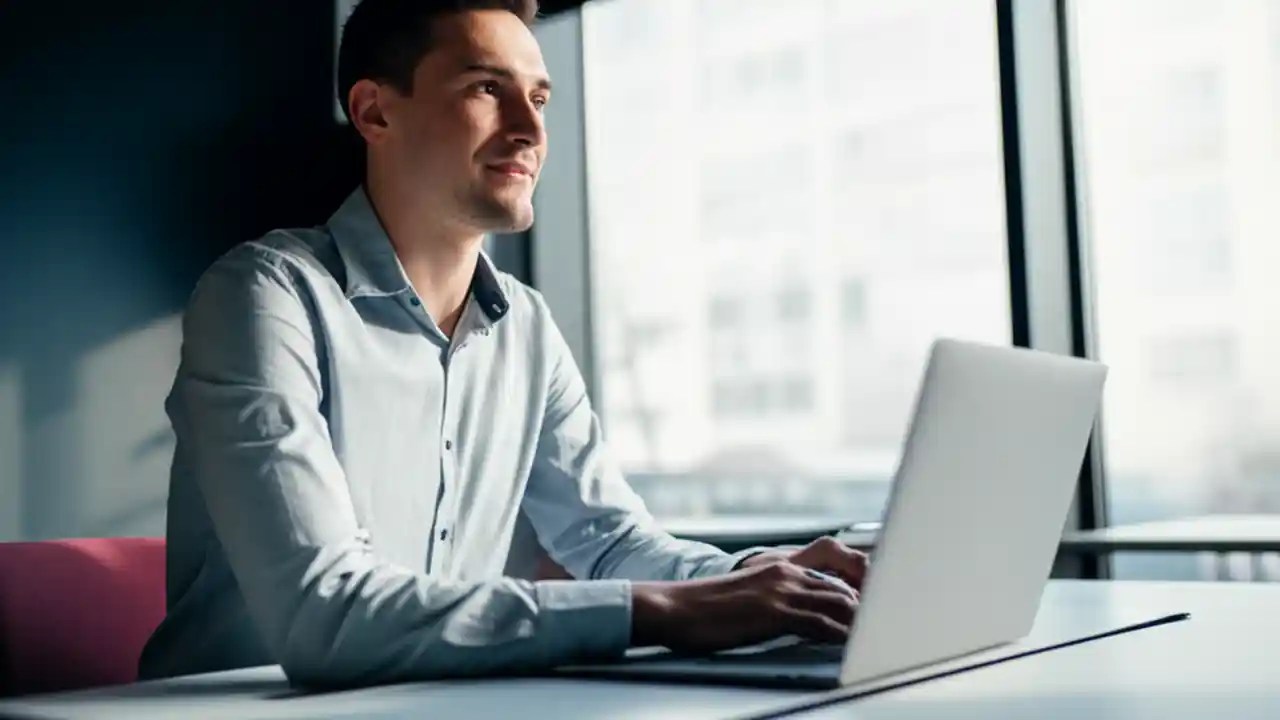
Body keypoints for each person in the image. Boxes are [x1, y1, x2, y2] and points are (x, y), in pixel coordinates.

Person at [138, 0, 868, 688]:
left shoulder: (526, 326)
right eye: (489, 88)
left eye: (540, 98)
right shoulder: (263, 296)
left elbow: (612, 544)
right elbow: (325, 615)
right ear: (374, 110)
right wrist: (664, 610)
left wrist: (770, 576)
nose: (530, 128)